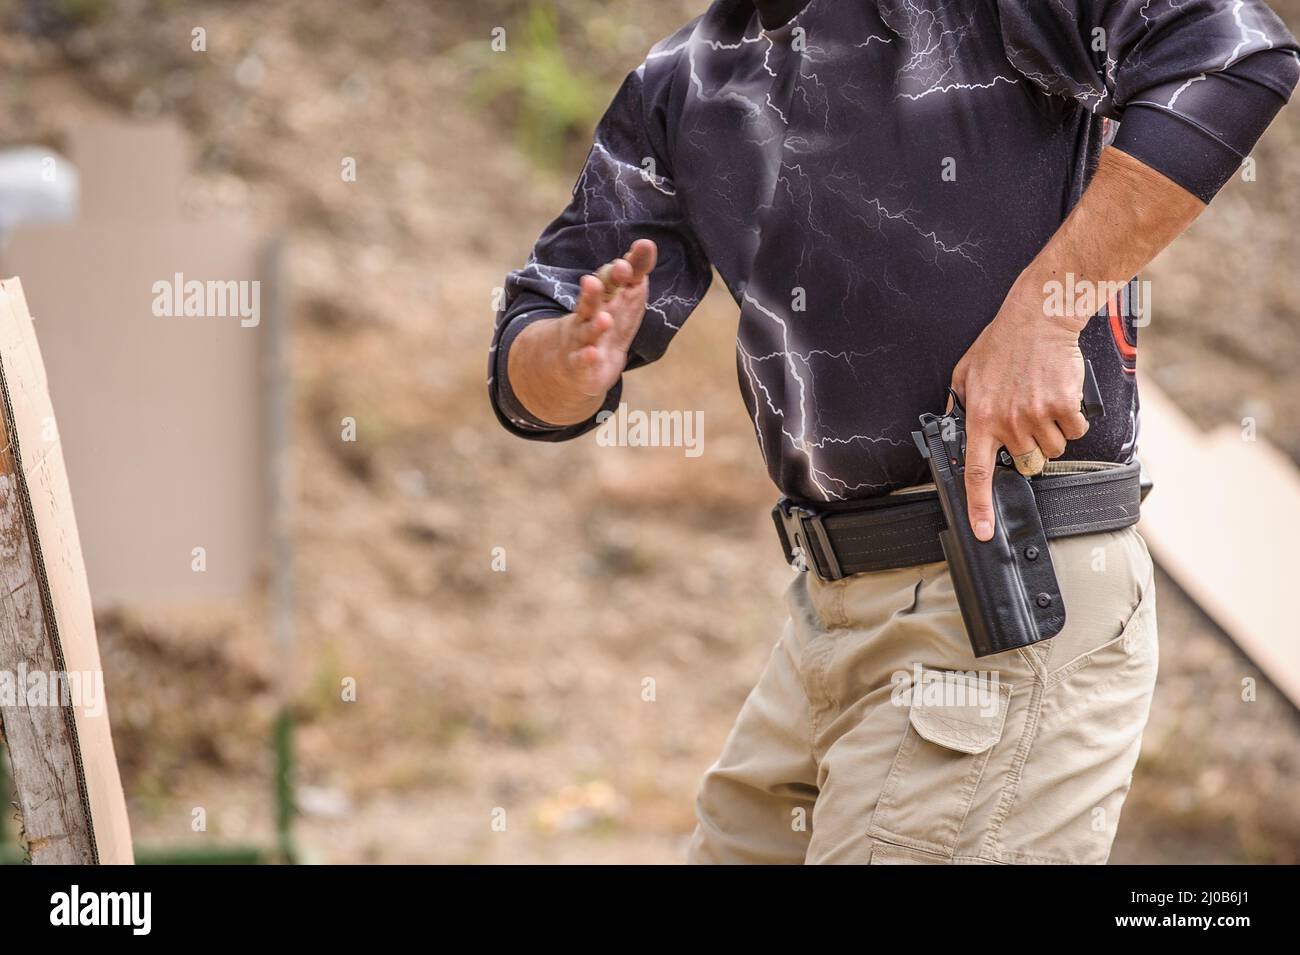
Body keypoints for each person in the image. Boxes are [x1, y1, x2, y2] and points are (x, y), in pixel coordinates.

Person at [487, 0, 1299, 864]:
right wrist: (570, 359)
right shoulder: (681, 82)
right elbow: (532, 347)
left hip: (1006, 588)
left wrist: (1047, 310)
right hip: (828, 619)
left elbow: (1233, 56)